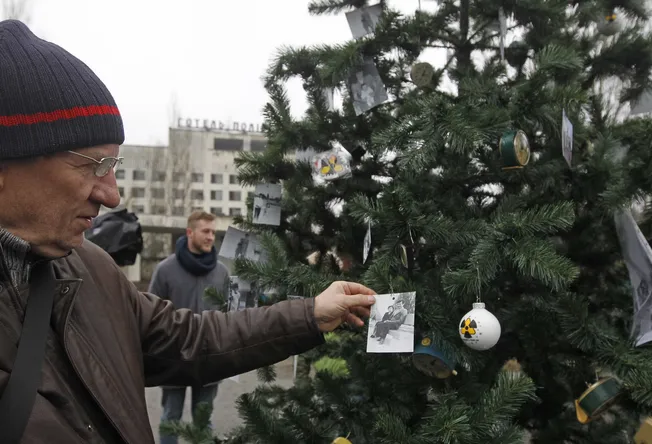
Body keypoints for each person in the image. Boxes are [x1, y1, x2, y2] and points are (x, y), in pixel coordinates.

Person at [0, 19, 376, 444]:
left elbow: (192, 338)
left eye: (114, 167)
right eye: (92, 166)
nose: (112, 196)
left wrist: (309, 314)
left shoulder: (89, 270)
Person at [148, 211, 229, 444]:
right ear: (190, 232)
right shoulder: (165, 269)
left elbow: (228, 315)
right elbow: (151, 312)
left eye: (213, 232)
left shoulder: (222, 272)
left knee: (203, 420)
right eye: (206, 231)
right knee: (170, 418)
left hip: (209, 360)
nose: (211, 237)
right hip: (173, 359)